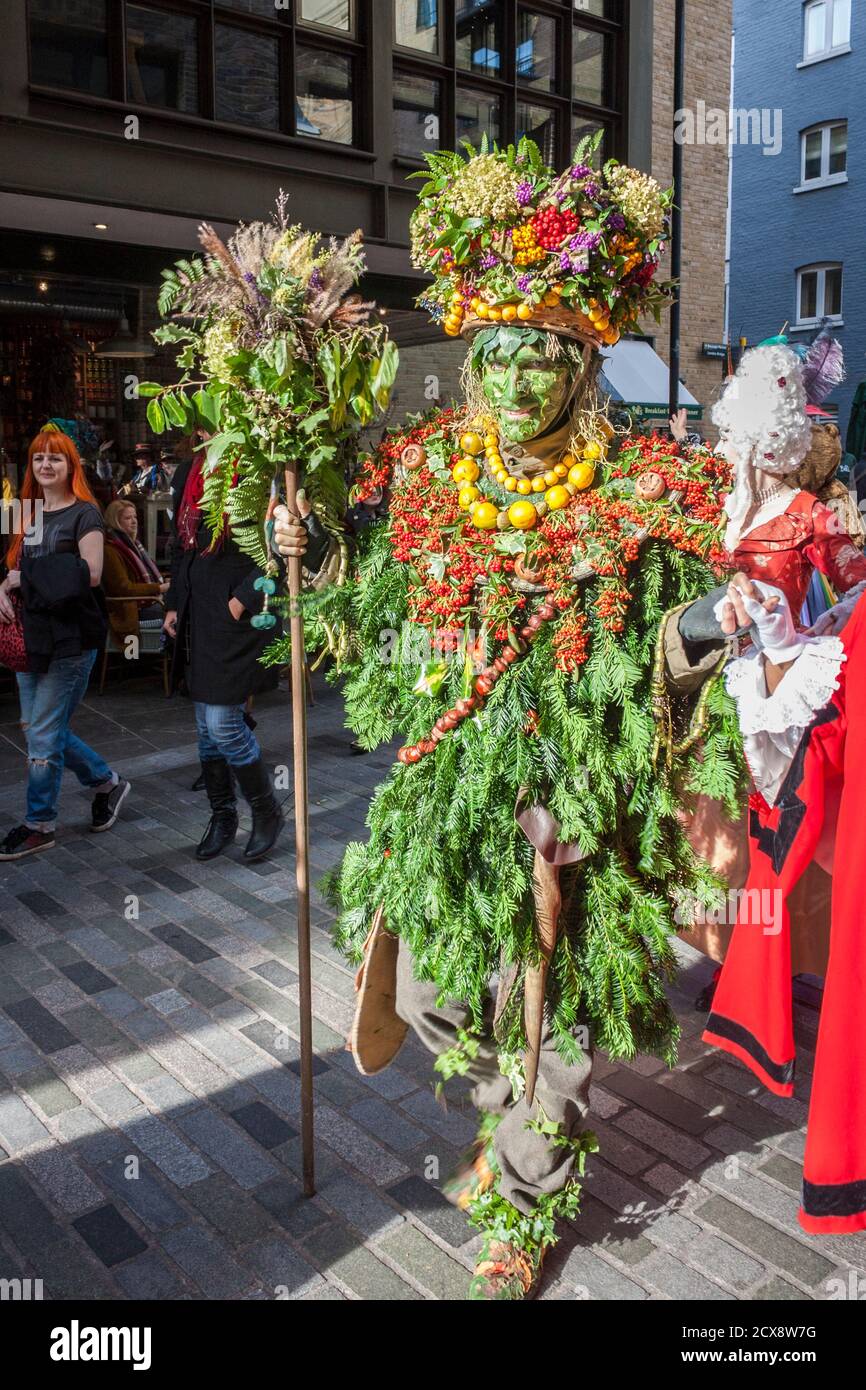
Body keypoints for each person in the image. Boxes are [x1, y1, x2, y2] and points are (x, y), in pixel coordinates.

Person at [274, 138, 743, 1298]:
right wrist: (304, 542)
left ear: (580, 369)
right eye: (502, 355)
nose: (523, 377)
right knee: (432, 990)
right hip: (452, 795)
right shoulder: (433, 475)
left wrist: (703, 636)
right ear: (476, 362)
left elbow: (679, 657)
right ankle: (508, 1108)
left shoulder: (642, 490)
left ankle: (528, 1197)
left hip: (573, 800)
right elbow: (359, 596)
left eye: (544, 357)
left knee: (558, 1017)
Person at [0, 424, 130, 860]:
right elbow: (14, 567)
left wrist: (25, 577)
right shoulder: (26, 513)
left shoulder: (85, 514)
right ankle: (106, 782)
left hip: (70, 641)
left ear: (70, 465)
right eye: (38, 458)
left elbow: (90, 572)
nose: (45, 464)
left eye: (55, 457)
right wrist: (5, 585)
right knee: (37, 729)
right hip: (32, 638)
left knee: (42, 733)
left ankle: (39, 823)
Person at [163, 442, 283, 863]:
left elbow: (280, 546)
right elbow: (180, 545)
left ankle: (267, 811)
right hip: (198, 610)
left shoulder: (258, 465)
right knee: (204, 725)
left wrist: (242, 599)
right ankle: (223, 817)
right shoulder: (188, 470)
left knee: (222, 723)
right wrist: (175, 603)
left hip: (237, 615)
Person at [102, 498, 168, 646]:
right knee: (177, 610)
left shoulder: (133, 545)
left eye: (135, 517)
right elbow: (123, 589)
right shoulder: (110, 550)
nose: (134, 521)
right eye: (127, 518)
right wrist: (158, 588)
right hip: (128, 609)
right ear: (115, 522)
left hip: (143, 602)